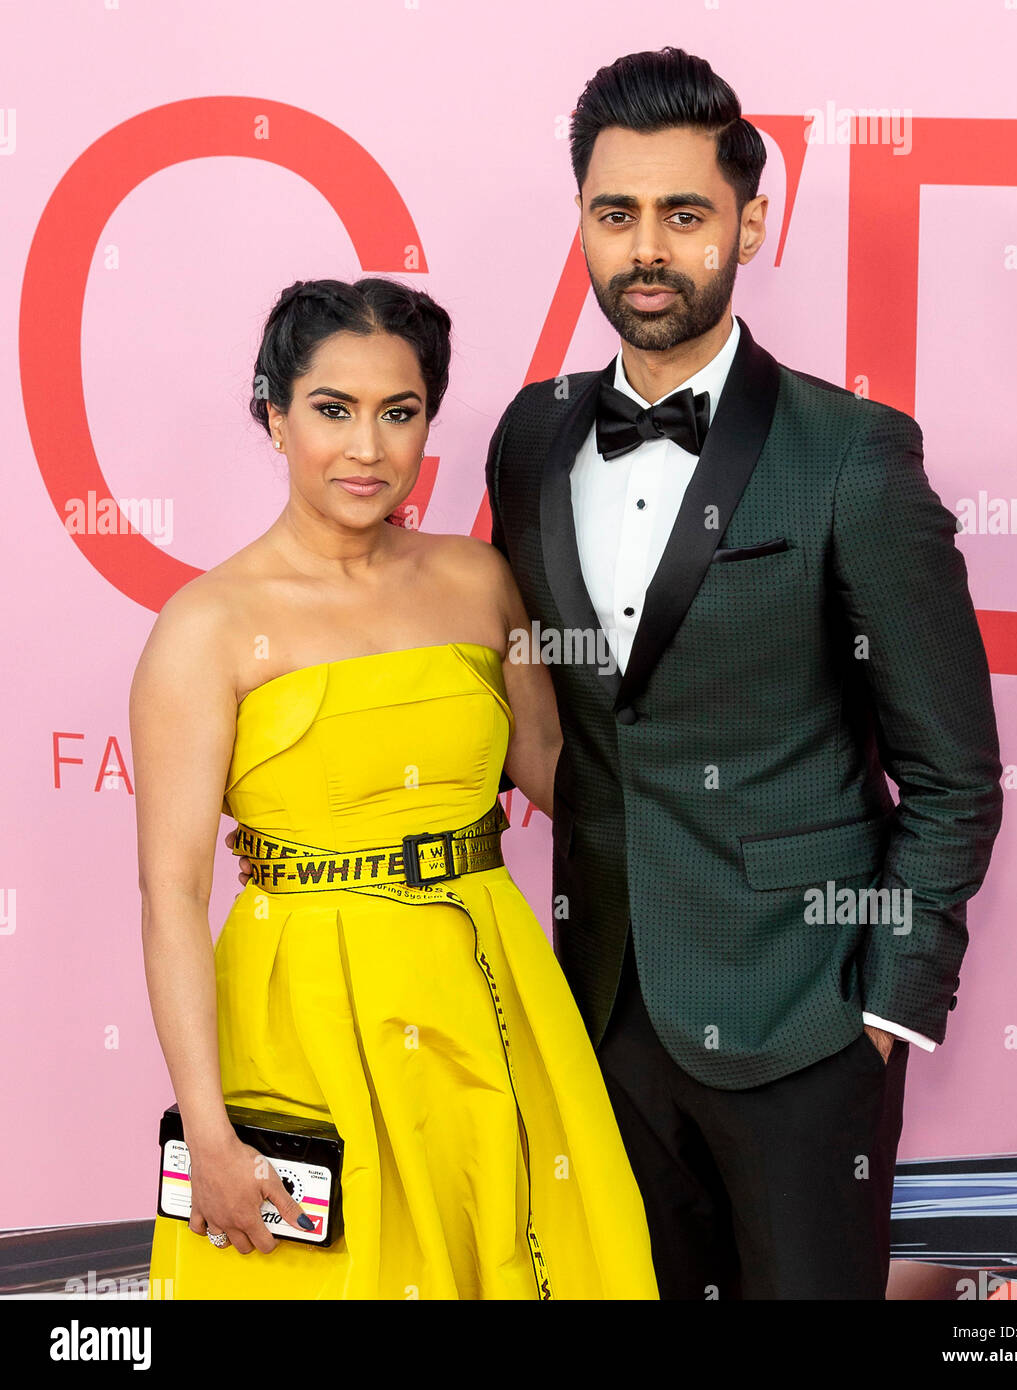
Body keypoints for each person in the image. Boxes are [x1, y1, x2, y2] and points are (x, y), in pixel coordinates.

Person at [483, 48, 1004, 1299]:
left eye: (682, 213)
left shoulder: (852, 458)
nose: (646, 248)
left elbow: (953, 772)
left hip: (803, 1018)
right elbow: (528, 692)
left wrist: (889, 1004)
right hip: (601, 1015)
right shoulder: (529, 433)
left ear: (749, 223)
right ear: (582, 226)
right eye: (616, 215)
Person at [133, 276, 658, 1300]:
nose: (367, 449)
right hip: (302, 1010)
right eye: (332, 410)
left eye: (399, 412)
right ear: (274, 414)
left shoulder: (476, 580)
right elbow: (170, 895)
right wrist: (206, 1125)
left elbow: (556, 770)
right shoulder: (204, 627)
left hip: (486, 980)